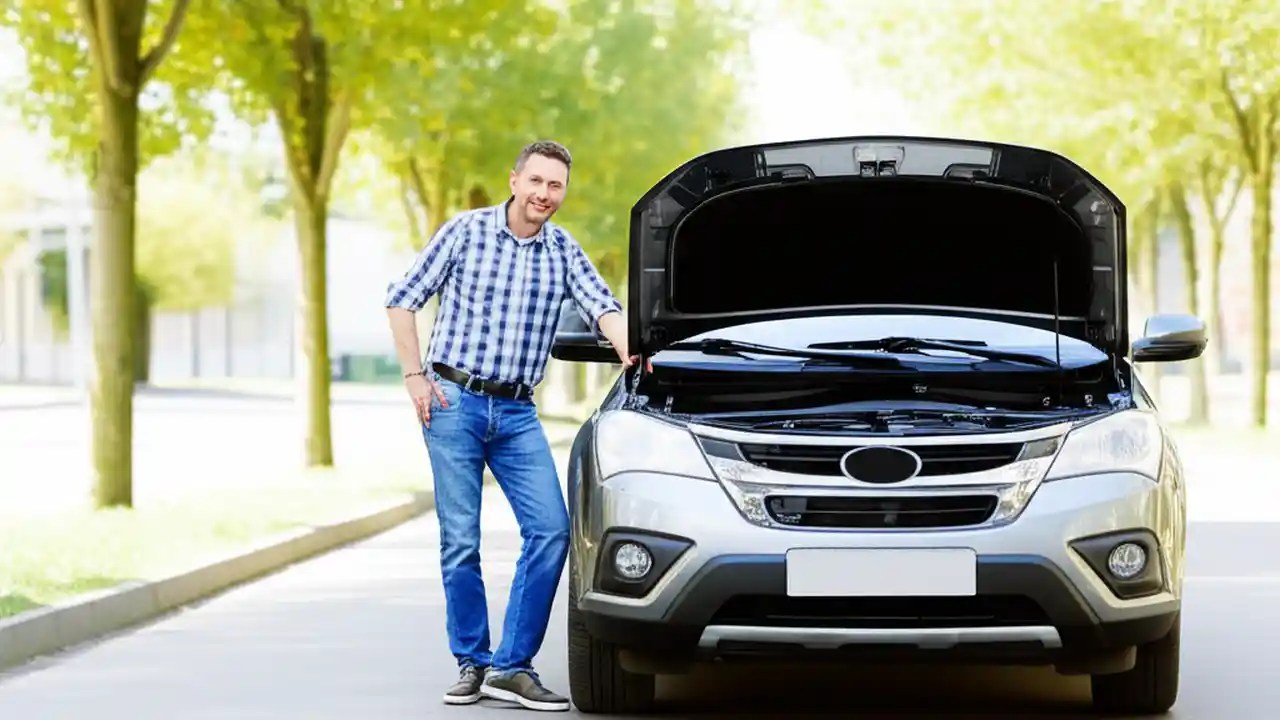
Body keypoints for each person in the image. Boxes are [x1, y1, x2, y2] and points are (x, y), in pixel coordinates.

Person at [384, 140, 637, 712]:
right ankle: (471, 661)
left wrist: (631, 352)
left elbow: (603, 306)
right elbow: (402, 300)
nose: (546, 195)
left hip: (518, 411)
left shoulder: (563, 250)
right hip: (453, 401)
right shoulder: (465, 232)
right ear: (515, 180)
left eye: (556, 186)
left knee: (551, 529)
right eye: (538, 182)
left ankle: (511, 666)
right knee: (461, 541)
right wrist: (414, 377)